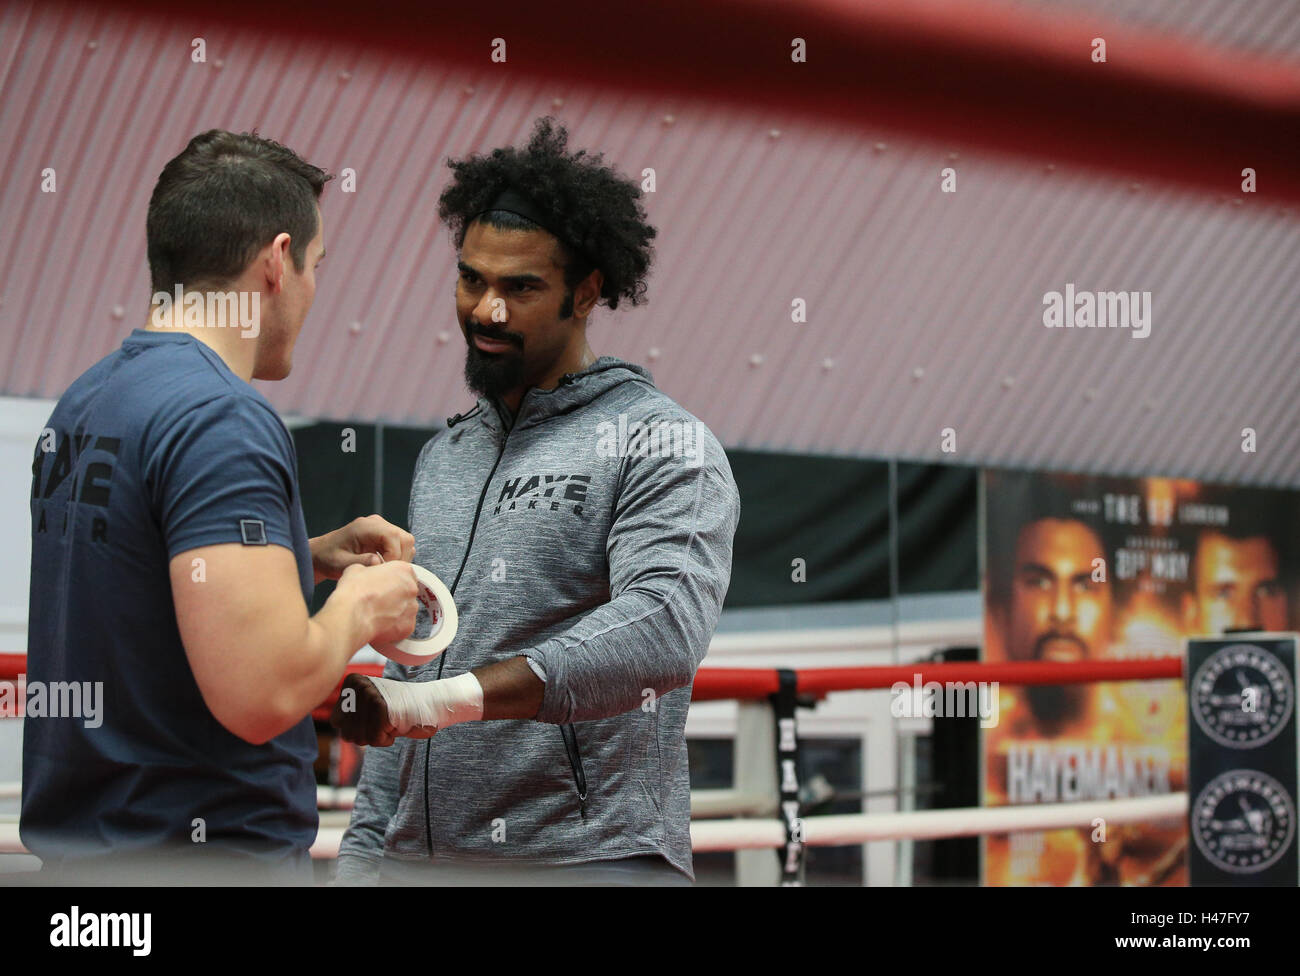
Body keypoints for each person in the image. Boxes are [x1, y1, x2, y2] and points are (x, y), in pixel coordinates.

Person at [333, 117, 740, 886]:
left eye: (520, 288)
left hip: (588, 858)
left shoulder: (662, 441)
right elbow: (413, 669)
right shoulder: (445, 456)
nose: (487, 310)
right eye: (471, 278)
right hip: (424, 863)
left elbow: (663, 628)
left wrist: (446, 702)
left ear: (587, 292)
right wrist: (363, 860)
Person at [22, 129, 420, 884]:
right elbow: (262, 692)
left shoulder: (87, 401)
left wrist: (302, 557)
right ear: (276, 261)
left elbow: (142, 576)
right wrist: (362, 607)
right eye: (314, 266)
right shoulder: (221, 417)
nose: (311, 291)